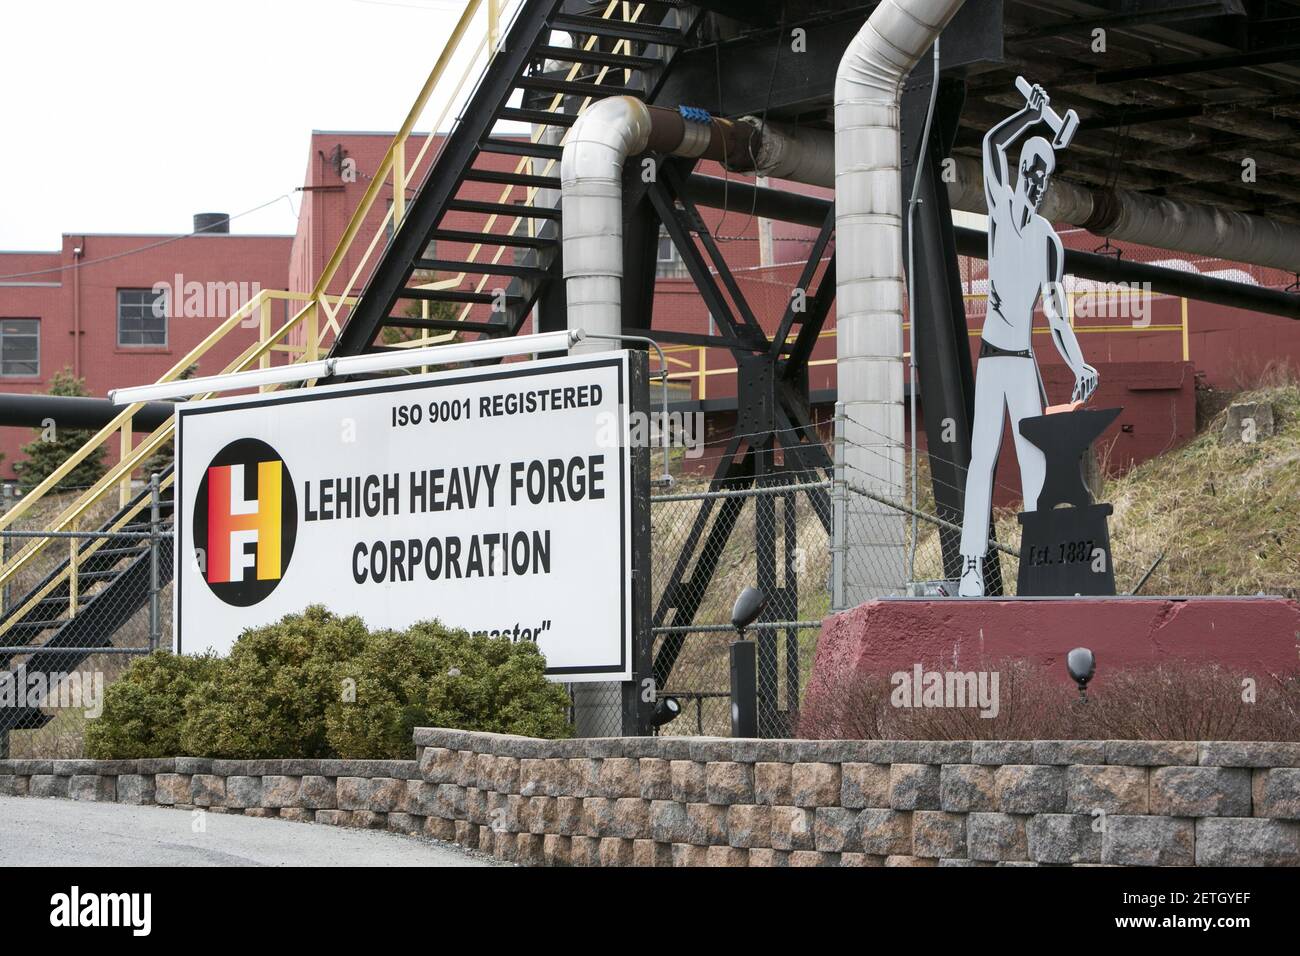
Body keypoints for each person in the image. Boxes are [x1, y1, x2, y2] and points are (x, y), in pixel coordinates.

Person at [958, 82, 1098, 597]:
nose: (1039, 181)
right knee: (982, 459)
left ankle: (1040, 562)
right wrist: (1027, 114)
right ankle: (971, 564)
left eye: (1046, 175)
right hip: (992, 360)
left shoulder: (1048, 241)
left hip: (1022, 363)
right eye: (1033, 171)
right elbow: (991, 146)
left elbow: (1057, 312)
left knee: (1035, 461)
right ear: (1022, 173)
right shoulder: (999, 211)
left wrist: (1080, 363)